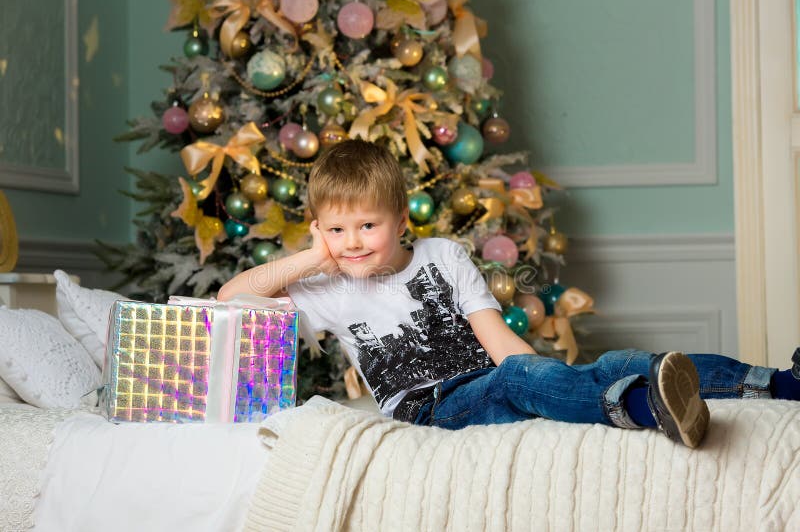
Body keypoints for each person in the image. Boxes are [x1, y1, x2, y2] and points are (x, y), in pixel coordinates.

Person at [218, 139, 800, 448]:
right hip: (431, 410)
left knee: (615, 361)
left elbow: (496, 340)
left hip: (489, 380)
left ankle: (774, 382)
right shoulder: (329, 290)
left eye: (366, 225)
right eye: (337, 230)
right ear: (320, 229)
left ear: (400, 219)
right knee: (526, 381)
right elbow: (230, 300)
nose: (353, 243)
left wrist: (555, 380)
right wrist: (314, 256)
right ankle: (645, 410)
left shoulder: (441, 255)